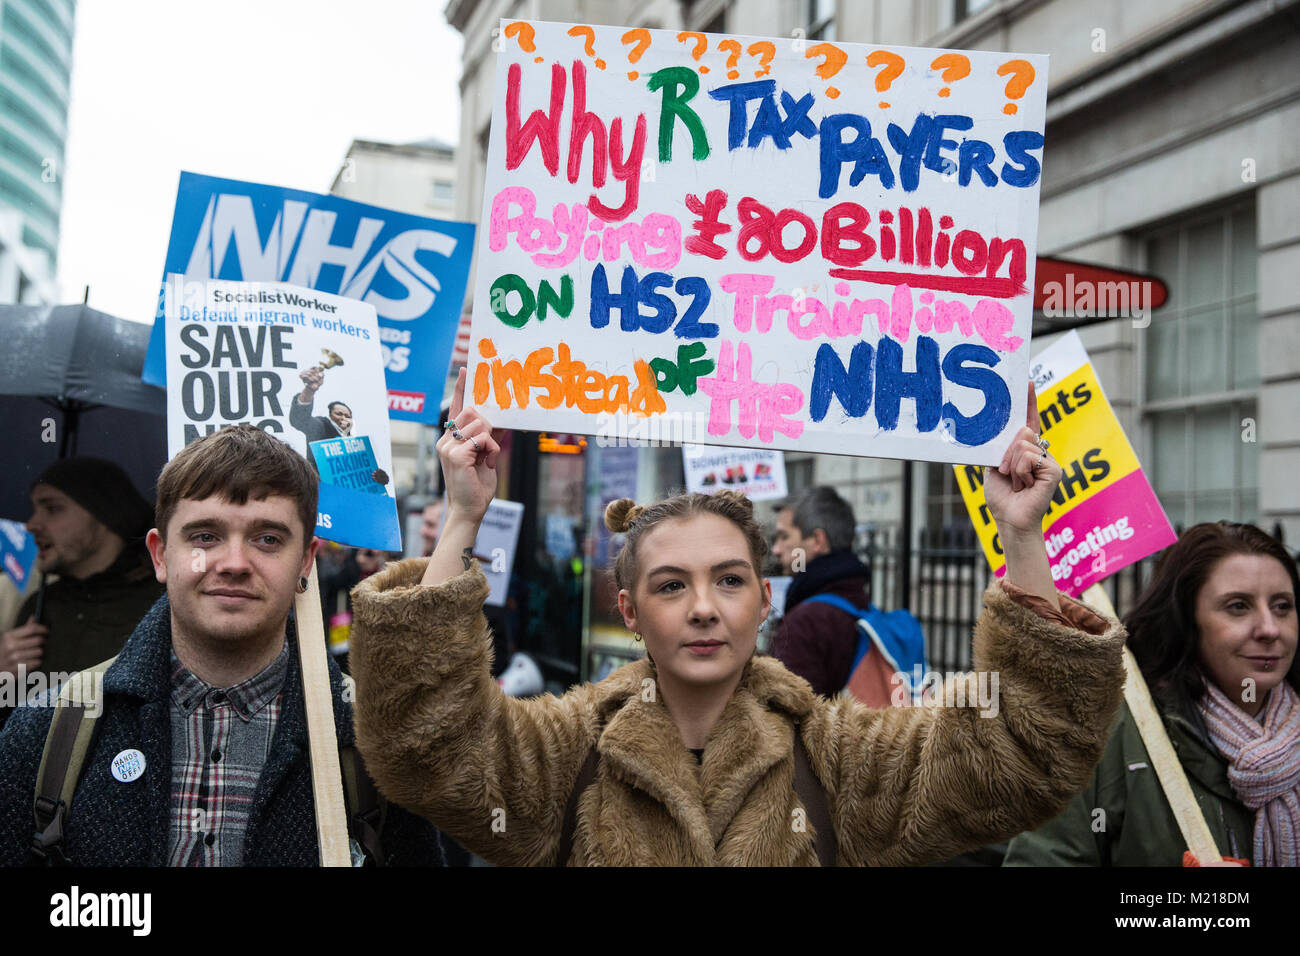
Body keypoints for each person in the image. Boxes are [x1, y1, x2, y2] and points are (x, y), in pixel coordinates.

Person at [346, 374, 1127, 866]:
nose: (703, 608)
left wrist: (1022, 536)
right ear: (630, 610)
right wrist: (461, 521)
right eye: (670, 585)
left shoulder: (837, 757)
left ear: (763, 600)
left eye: (728, 580)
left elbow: (1017, 755)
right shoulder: (568, 754)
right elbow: (427, 741)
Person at [0, 426, 443, 866]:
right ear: (160, 555)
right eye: (205, 536)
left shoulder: (372, 742)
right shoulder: (48, 729)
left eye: (267, 539)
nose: (234, 564)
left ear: (305, 560)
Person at [1004, 522, 1299, 867]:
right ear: (1187, 620)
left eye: (1282, 606)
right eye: (1237, 606)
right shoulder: (1104, 732)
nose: (1269, 628)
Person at [0, 458, 163, 729]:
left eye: (52, 509)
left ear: (105, 514)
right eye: (34, 509)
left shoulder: (162, 603)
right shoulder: (40, 605)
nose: (31, 525)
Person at [769, 487, 874, 697]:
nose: (776, 550)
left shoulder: (805, 623)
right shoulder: (855, 598)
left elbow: (786, 717)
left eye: (784, 537)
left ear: (817, 540)